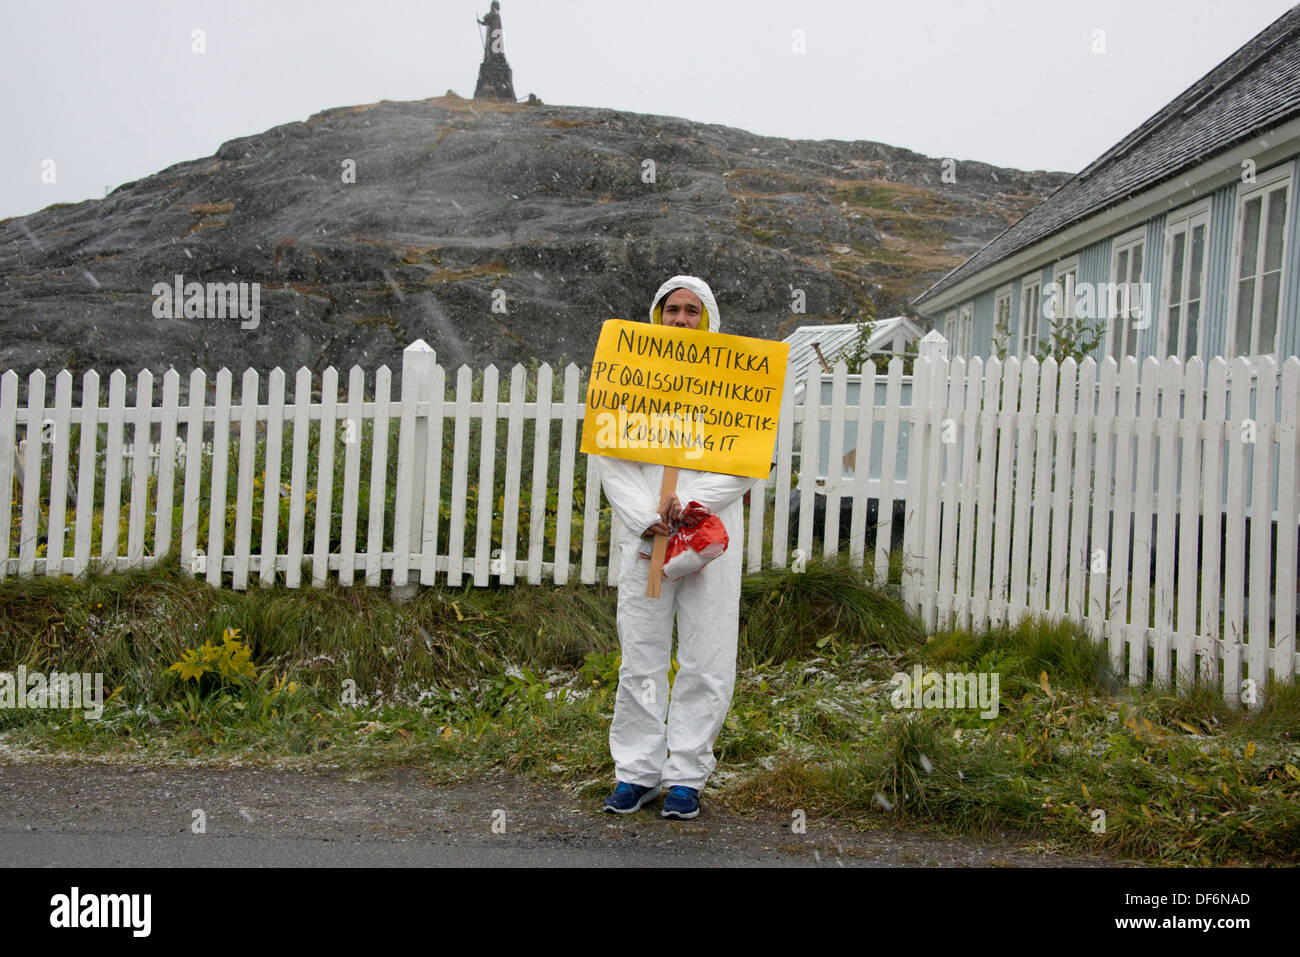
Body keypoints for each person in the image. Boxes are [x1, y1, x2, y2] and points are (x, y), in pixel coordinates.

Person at [595, 276, 754, 820]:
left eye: (691, 311)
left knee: (705, 655)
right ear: (656, 318)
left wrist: (684, 504)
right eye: (672, 311)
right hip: (645, 539)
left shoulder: (737, 383)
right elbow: (610, 458)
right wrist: (647, 517)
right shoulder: (628, 380)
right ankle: (636, 772)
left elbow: (743, 462)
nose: (681, 320)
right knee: (640, 653)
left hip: (706, 539)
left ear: (707, 318)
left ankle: (686, 774)